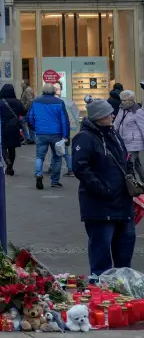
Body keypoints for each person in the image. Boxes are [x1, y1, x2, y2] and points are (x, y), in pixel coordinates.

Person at [72, 98, 135, 281]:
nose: (113, 115)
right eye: (109, 113)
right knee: (101, 256)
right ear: (99, 117)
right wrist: (103, 189)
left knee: (124, 256)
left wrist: (130, 176)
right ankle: (99, 291)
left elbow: (126, 157)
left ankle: (124, 290)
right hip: (99, 207)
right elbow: (80, 168)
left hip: (123, 204)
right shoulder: (85, 138)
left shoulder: (113, 133)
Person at [28, 83, 71, 190]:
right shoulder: (59, 102)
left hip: (41, 133)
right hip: (56, 134)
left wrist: (35, 127)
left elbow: (30, 117)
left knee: (39, 156)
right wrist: (66, 136)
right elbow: (64, 121)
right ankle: (55, 181)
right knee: (57, 157)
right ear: (53, 91)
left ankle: (38, 174)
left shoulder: (36, 101)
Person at [115, 90, 144, 182]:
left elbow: (142, 127)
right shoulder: (121, 109)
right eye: (122, 100)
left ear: (131, 100)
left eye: (125, 100)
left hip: (133, 143)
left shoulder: (137, 111)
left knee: (129, 163)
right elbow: (117, 123)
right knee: (137, 164)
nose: (122, 102)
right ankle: (142, 181)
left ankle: (134, 184)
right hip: (123, 141)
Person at [0, 84, 24, 176]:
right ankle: (11, 167)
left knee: (3, 146)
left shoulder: (0, 102)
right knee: (12, 148)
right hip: (14, 127)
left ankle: (7, 161)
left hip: (3, 126)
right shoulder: (17, 102)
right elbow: (23, 112)